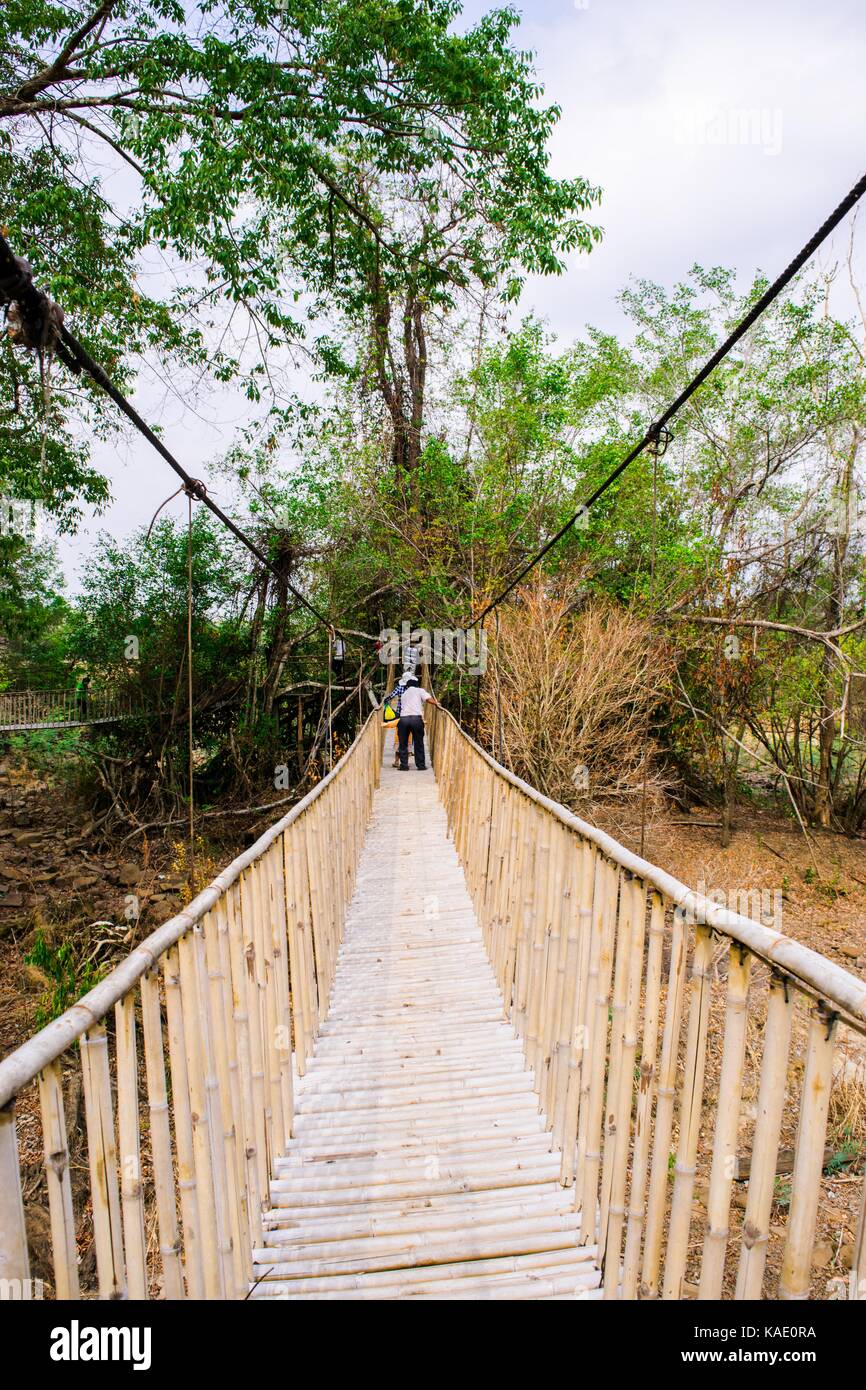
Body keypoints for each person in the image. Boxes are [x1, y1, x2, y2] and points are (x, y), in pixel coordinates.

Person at [396, 675, 439, 771]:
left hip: (404, 720)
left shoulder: (404, 694)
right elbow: (428, 699)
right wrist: (436, 703)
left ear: (407, 686)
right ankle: (420, 765)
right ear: (416, 685)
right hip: (416, 719)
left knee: (403, 743)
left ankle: (404, 765)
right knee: (419, 742)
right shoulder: (420, 690)